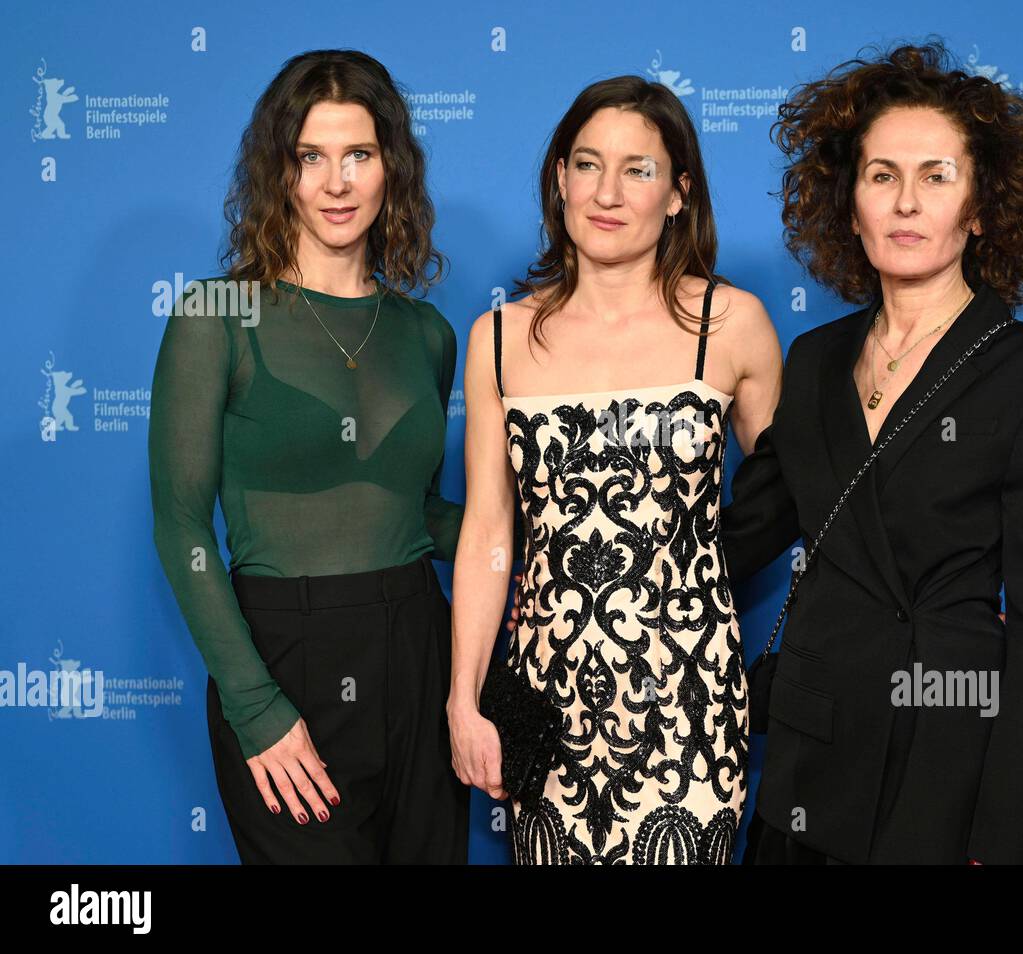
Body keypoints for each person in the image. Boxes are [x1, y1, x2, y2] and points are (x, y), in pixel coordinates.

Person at [721, 40, 1023, 864]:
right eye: (882, 176)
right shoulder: (815, 361)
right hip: (812, 763)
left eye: (936, 176)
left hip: (950, 765)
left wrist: (1010, 831)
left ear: (982, 207)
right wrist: (580, 580)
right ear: (849, 206)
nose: (906, 203)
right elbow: (741, 538)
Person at [448, 75, 782, 864]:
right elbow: (489, 529)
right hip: (548, 703)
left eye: (638, 169)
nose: (608, 192)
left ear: (678, 193)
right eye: (587, 164)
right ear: (559, 178)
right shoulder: (496, 337)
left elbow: (793, 500)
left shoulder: (731, 325)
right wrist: (464, 700)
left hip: (690, 703)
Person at [149, 49, 468, 863]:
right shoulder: (216, 315)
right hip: (284, 657)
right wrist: (255, 706)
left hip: (420, 654)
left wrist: (534, 551)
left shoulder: (425, 332)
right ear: (277, 171)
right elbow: (182, 524)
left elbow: (416, 509)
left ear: (389, 167)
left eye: (358, 155)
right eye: (310, 157)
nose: (336, 182)